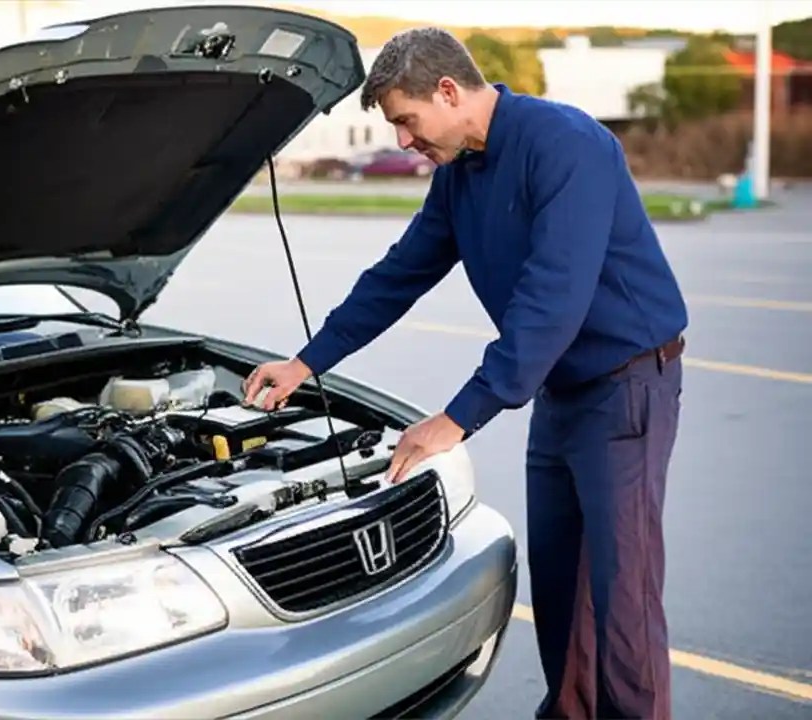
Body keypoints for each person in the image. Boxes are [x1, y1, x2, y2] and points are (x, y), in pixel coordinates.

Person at [242, 27, 687, 720]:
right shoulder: (460, 174)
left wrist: (456, 419)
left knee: (621, 599)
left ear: (448, 91)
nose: (403, 141)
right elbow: (400, 273)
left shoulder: (565, 145)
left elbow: (551, 302)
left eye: (405, 121)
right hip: (560, 389)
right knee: (564, 585)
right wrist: (308, 360)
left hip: (627, 385)